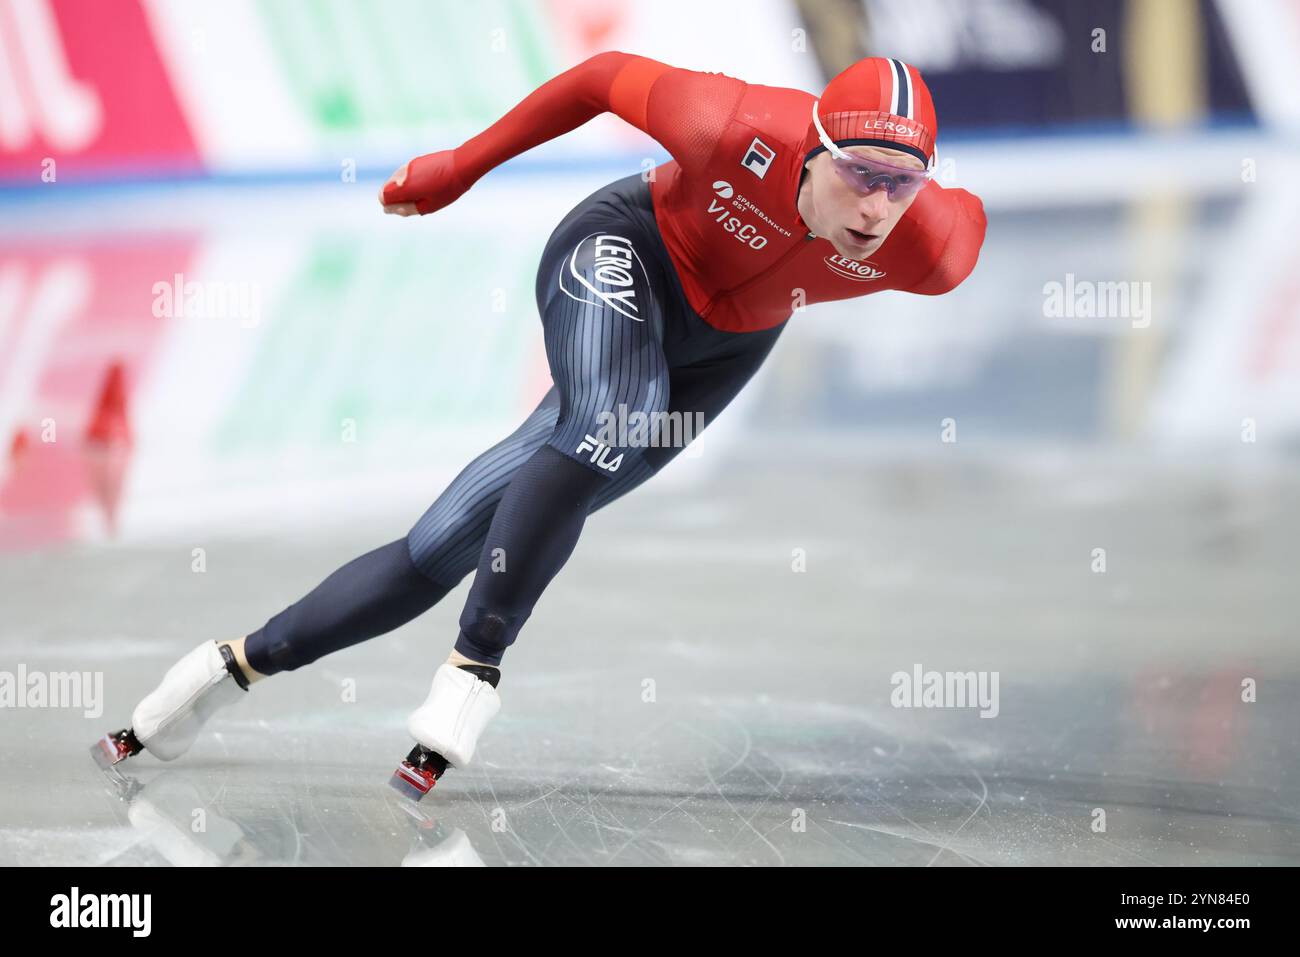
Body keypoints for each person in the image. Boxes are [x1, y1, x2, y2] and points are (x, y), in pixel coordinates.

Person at [93, 53, 987, 799]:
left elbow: (962, 222)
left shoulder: (932, 245)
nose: (876, 208)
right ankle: (475, 669)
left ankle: (228, 668)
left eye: (902, 183)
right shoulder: (730, 123)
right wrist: (461, 165)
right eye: (860, 175)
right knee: (607, 417)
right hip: (624, 248)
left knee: (444, 545)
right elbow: (600, 78)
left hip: (723, 352)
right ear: (812, 151)